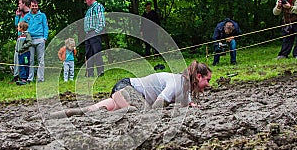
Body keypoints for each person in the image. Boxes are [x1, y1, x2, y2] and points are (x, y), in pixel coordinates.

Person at [49, 60, 212, 118]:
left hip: (125, 90)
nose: (209, 85)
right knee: (137, 111)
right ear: (198, 76)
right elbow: (160, 102)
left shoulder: (183, 87)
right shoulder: (178, 83)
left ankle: (57, 115)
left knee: (89, 110)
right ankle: (109, 114)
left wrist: (190, 105)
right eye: (207, 80)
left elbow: (186, 99)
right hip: (128, 88)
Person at [23, 0, 49, 82]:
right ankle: (30, 78)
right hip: (30, 40)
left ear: (37, 6)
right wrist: (26, 36)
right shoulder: (27, 16)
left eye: (36, 6)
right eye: (33, 6)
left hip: (40, 39)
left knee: (41, 60)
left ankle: (40, 78)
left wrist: (45, 38)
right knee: (30, 60)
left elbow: (45, 26)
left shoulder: (42, 15)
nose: (34, 7)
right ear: (30, 6)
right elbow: (23, 27)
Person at [84, 0, 105, 77]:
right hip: (88, 33)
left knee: (97, 52)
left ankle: (100, 72)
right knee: (89, 53)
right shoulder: (89, 9)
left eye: (86, 0)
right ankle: (90, 73)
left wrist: (96, 31)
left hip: (94, 33)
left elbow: (101, 20)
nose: (86, 2)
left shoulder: (98, 6)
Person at [12, 0, 30, 82]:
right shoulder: (21, 15)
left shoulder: (29, 14)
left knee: (25, 60)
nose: (18, 5)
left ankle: (25, 77)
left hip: (25, 40)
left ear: (24, 4)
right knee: (16, 58)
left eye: (19, 3)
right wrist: (17, 16)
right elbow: (17, 25)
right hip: (19, 38)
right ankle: (16, 75)